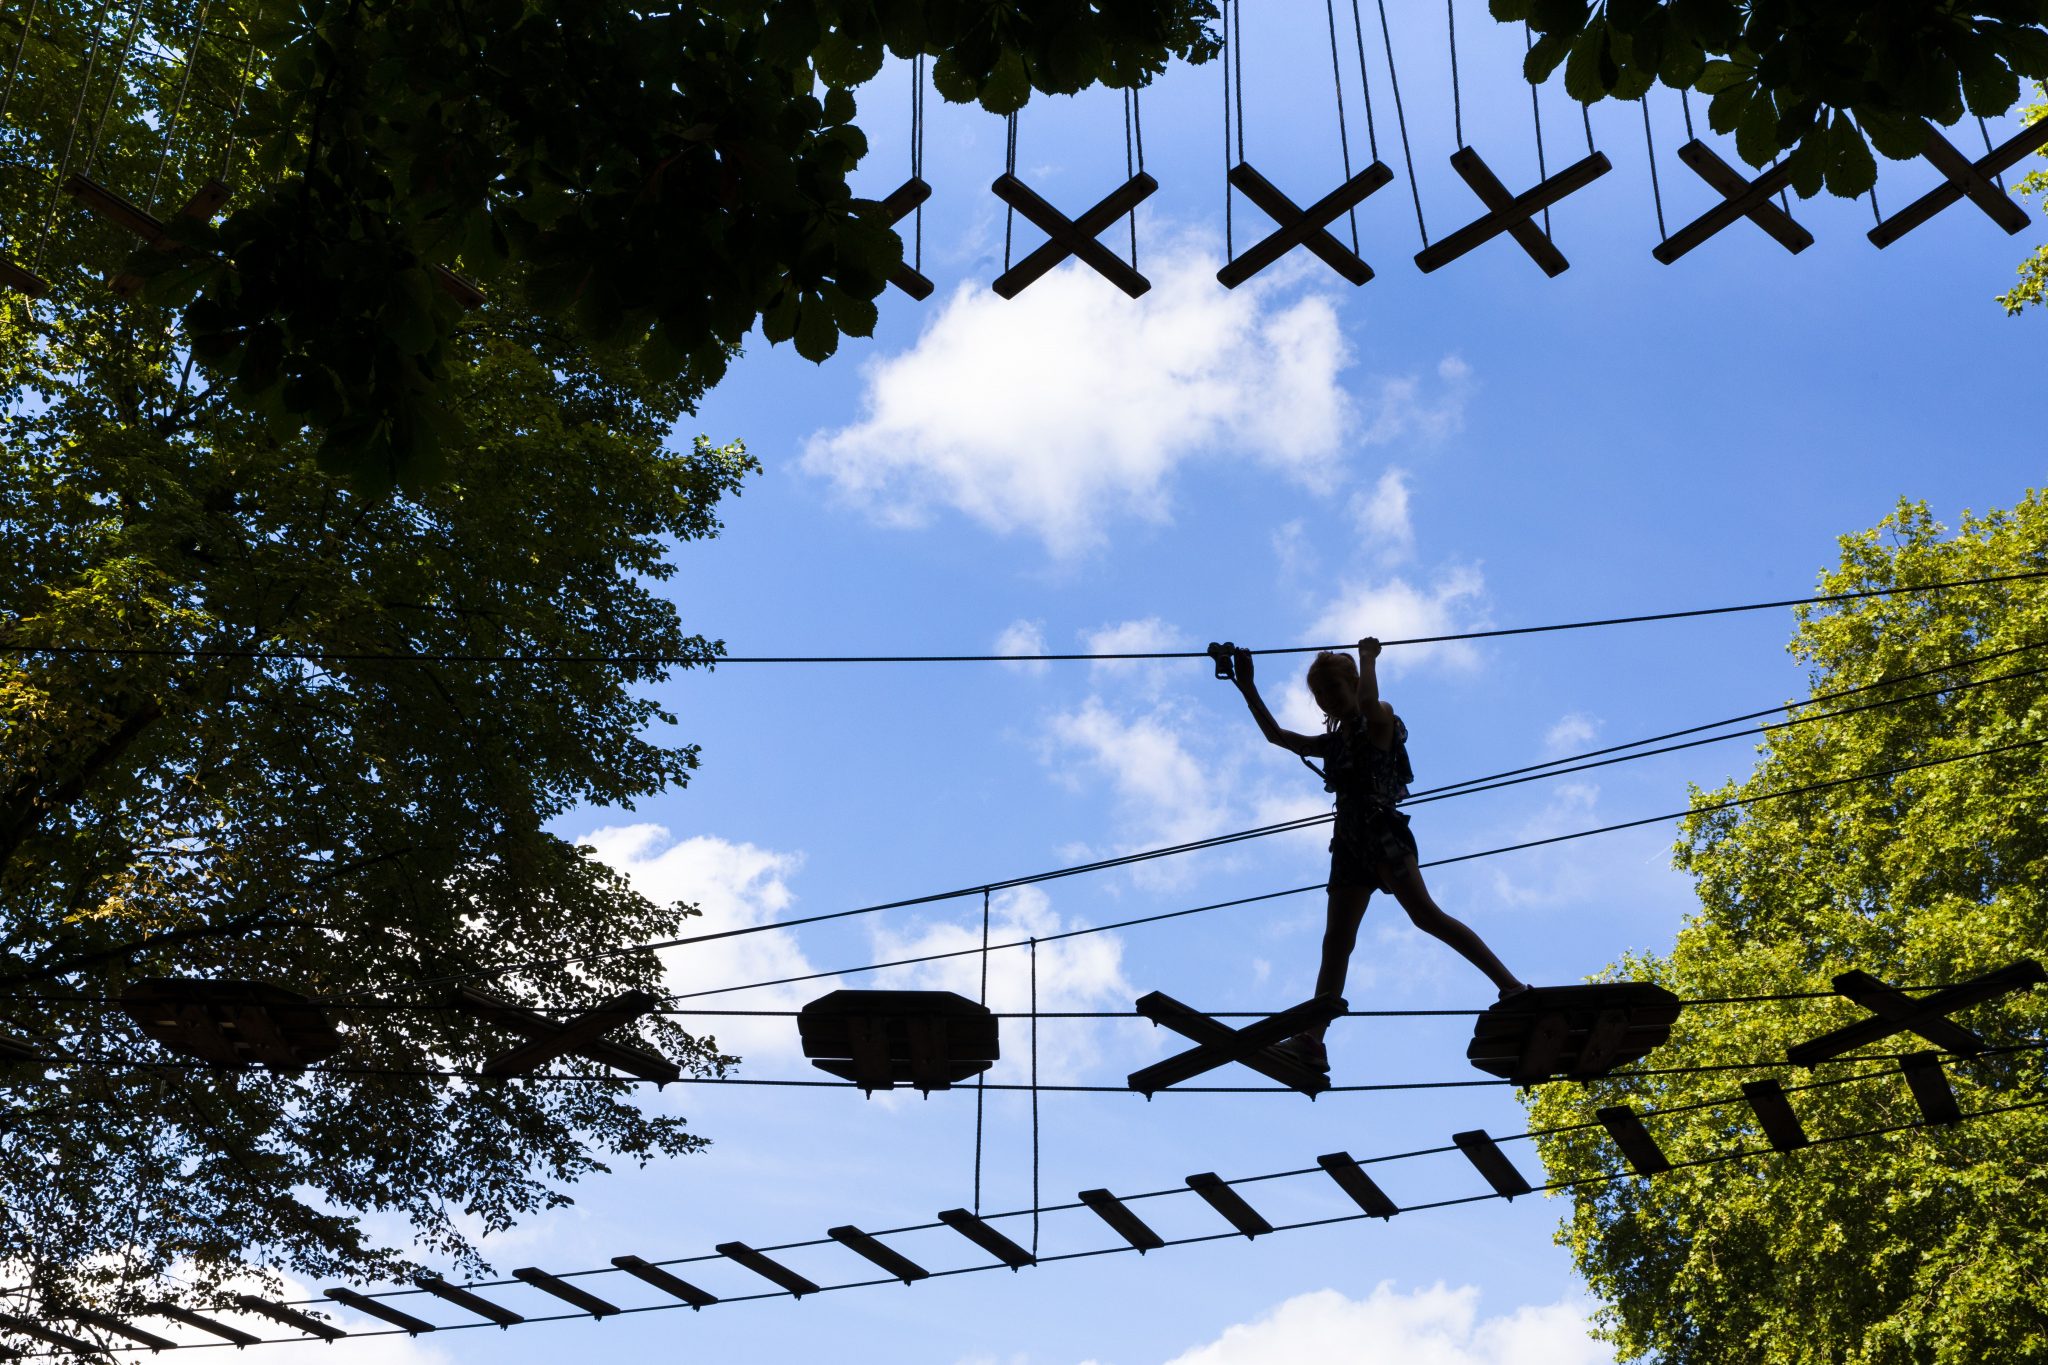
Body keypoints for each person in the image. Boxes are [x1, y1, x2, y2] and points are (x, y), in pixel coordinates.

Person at [1231, 637, 1527, 1073]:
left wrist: (1368, 658)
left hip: (1383, 833)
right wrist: (1247, 687)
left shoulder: (1382, 719)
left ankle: (1512, 988)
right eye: (1322, 694)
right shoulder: (1333, 743)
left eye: (1336, 688)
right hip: (1349, 842)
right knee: (1336, 942)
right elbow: (1278, 737)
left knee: (1425, 915)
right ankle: (1312, 1039)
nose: (1330, 699)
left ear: (1353, 684)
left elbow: (1370, 704)